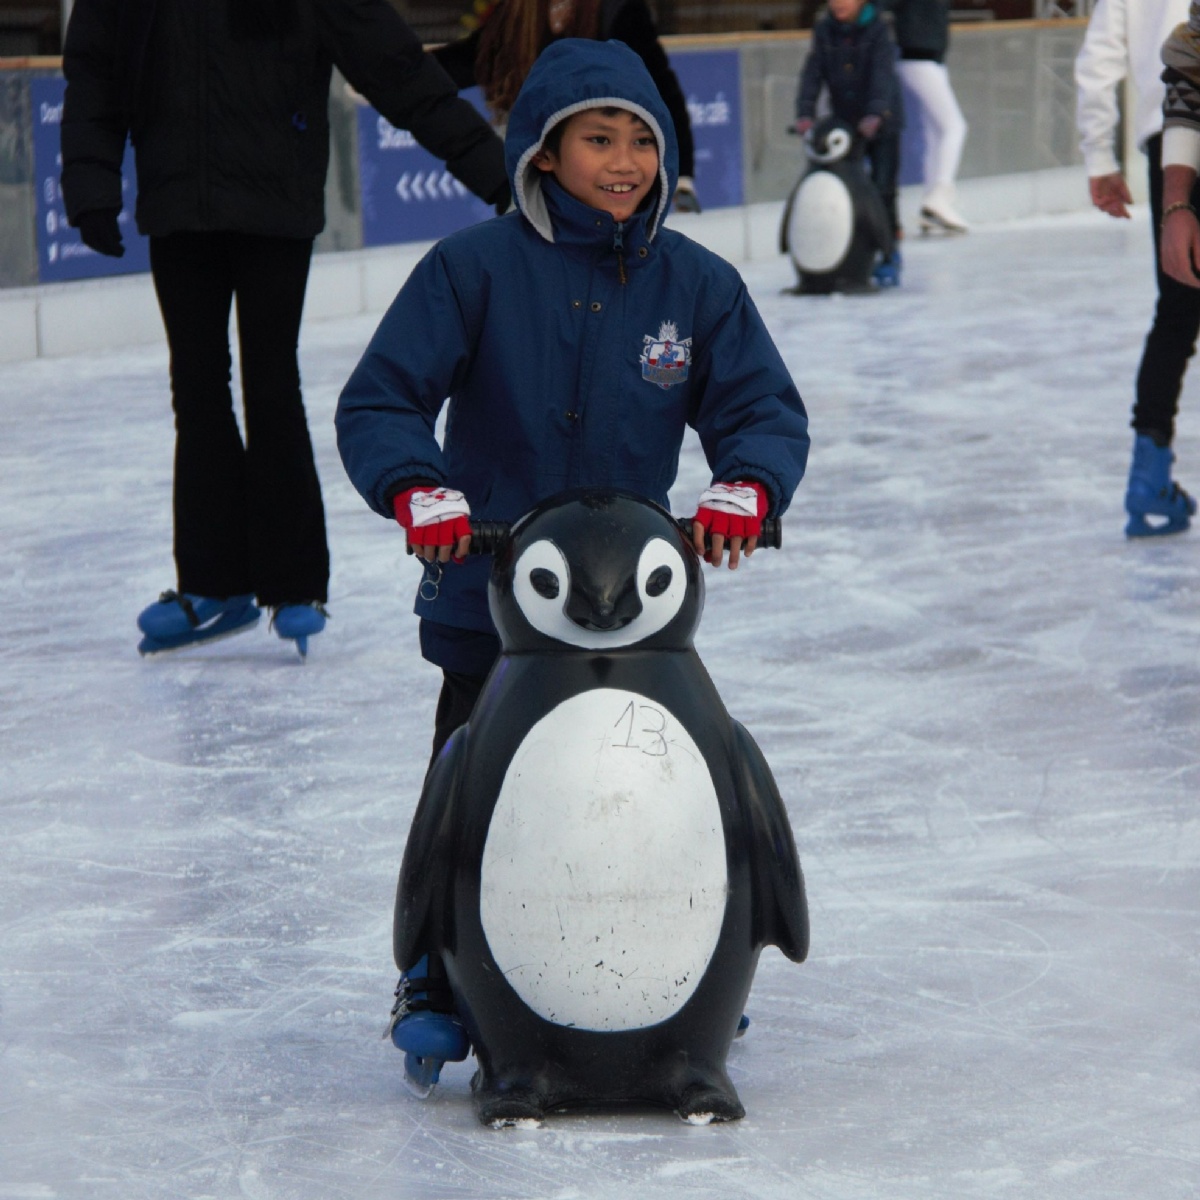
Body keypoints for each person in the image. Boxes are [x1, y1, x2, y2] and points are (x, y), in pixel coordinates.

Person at [335, 38, 809, 1084]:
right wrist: (420, 488)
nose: (627, 159)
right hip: (490, 604)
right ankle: (431, 971)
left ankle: (685, 963)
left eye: (644, 138)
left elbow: (760, 407)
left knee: (652, 796)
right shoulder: (474, 269)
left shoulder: (694, 284)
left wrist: (747, 487)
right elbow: (381, 399)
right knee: (465, 795)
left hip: (636, 621)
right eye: (601, 137)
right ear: (545, 153)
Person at [60, 0, 512, 655]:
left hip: (275, 196)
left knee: (271, 381)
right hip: (177, 198)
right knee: (197, 387)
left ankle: (295, 583)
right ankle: (214, 584)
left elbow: (395, 68)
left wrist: (496, 172)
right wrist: (90, 182)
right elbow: (95, 70)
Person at [1075, 0, 1196, 537]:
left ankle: (1148, 476)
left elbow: (1099, 61)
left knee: (1176, 311)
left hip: (1170, 140)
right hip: (1180, 133)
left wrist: (1101, 156)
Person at [432, 0, 702, 212]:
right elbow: (469, 59)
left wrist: (683, 172)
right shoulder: (516, 11)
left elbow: (661, 87)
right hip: (534, 155)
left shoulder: (617, 9)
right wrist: (404, 71)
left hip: (595, 158)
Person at [794, 0, 905, 285]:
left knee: (882, 189)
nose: (838, 3)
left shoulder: (878, 28)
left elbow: (883, 73)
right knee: (848, 188)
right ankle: (854, 252)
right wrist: (805, 113)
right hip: (845, 123)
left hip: (882, 120)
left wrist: (875, 113)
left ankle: (890, 253)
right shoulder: (824, 30)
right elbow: (813, 72)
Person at [884, 0, 969, 233]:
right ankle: (939, 195)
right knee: (955, 127)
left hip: (931, 58)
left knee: (937, 132)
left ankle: (931, 203)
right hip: (918, 58)